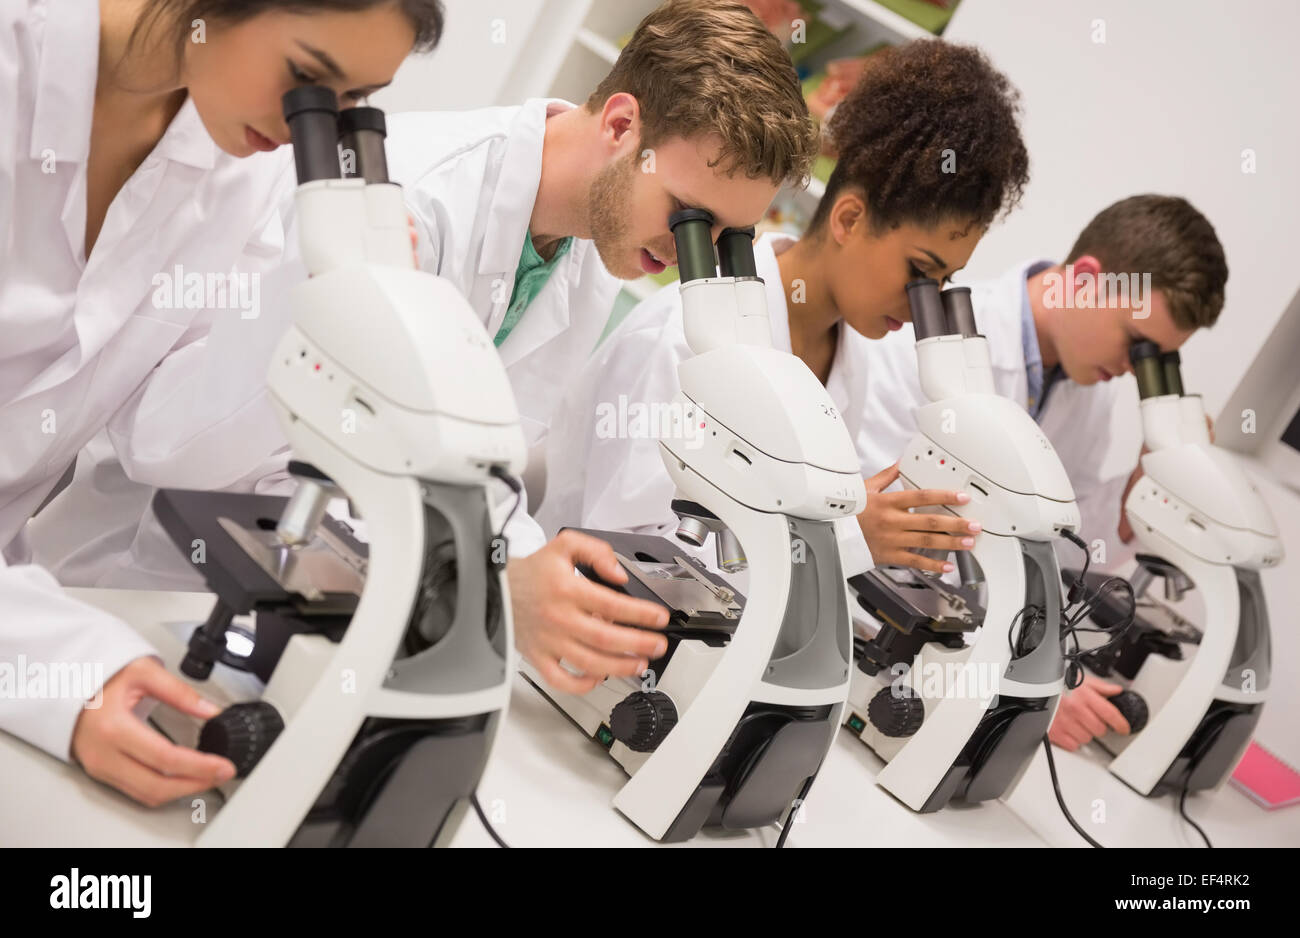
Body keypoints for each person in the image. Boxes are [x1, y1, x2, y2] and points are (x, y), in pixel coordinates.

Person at [0, 0, 446, 807]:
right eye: (309, 78)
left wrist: (302, 308)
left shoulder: (245, 163)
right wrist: (56, 667)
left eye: (355, 100)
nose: (313, 119)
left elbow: (164, 443)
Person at [537, 39, 1030, 587]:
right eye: (919, 271)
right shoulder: (684, 336)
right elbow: (630, 560)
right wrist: (845, 539)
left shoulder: (850, 360)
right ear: (848, 220)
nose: (922, 309)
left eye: (942, 285)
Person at [845, 194, 1228, 751]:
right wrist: (1013, 672)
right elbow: (878, 543)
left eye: (1154, 361)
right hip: (873, 659)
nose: (1131, 370)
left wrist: (1142, 486)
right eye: (1138, 345)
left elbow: (1058, 552)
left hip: (963, 677)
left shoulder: (1087, 390)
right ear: (1087, 282)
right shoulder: (923, 340)